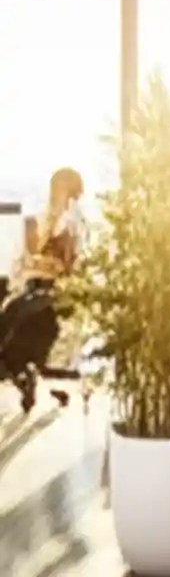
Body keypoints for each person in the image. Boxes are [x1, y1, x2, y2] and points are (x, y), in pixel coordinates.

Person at [1, 167, 84, 412]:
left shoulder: (73, 225)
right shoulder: (37, 219)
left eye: (68, 193)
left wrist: (45, 263)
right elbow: (29, 257)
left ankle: (28, 374)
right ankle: (25, 374)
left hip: (53, 293)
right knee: (16, 316)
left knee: (26, 316)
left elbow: (66, 266)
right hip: (32, 289)